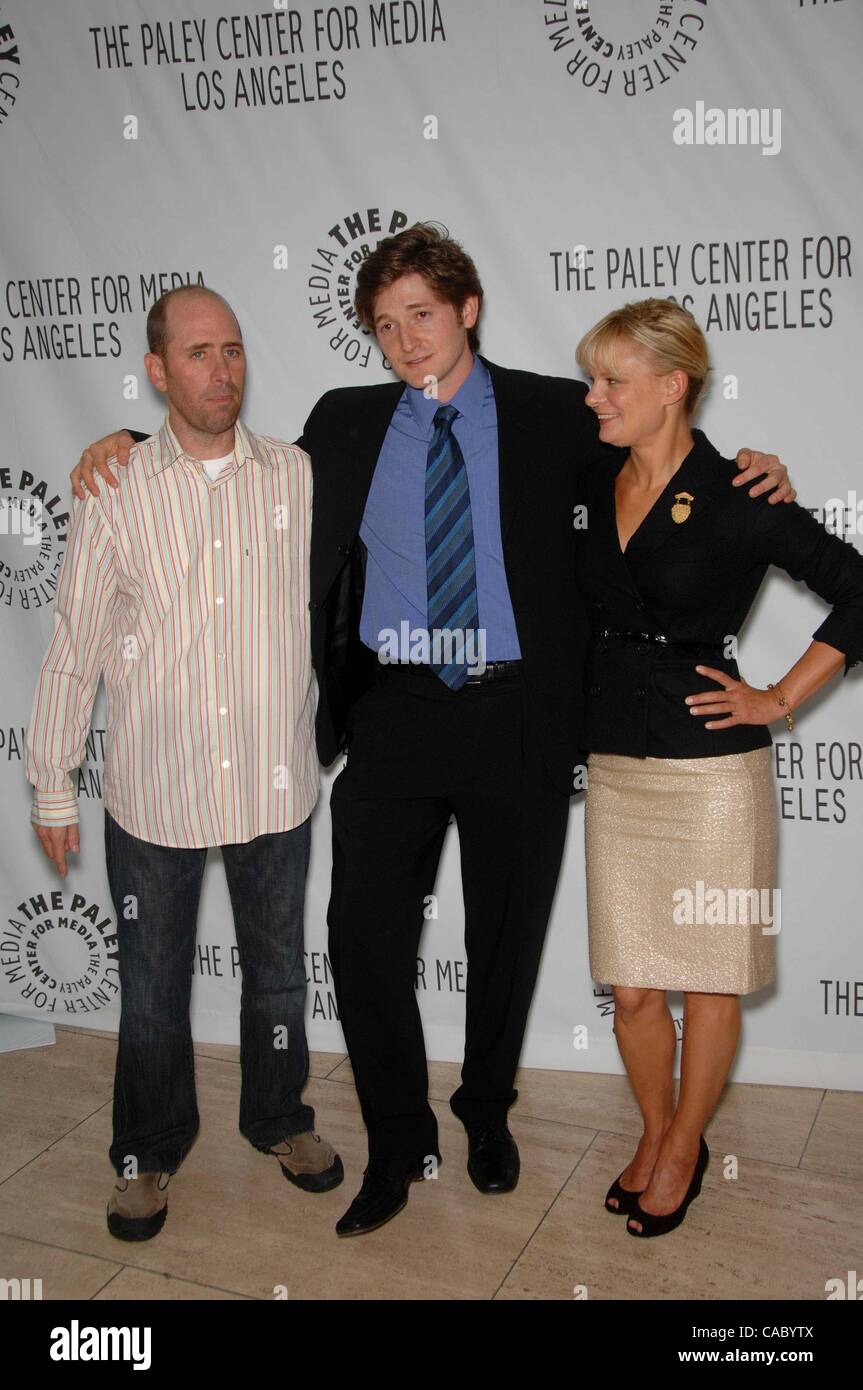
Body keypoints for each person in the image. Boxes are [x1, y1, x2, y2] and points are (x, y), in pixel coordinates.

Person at [69, 224, 793, 1239]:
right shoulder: (347, 421)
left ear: (467, 309)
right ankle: (396, 1142)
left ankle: (485, 1115)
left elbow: (659, 449)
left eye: (421, 313)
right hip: (395, 715)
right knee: (361, 941)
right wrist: (126, 441)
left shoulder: (555, 412)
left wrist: (745, 468)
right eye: (383, 324)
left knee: (504, 938)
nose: (404, 339)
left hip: (518, 714)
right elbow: (235, 465)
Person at [27, 285, 342, 1243]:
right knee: (152, 993)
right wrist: (52, 782)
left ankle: (279, 1117)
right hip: (153, 789)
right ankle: (146, 1151)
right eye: (198, 353)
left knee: (278, 977)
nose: (222, 370)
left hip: (274, 783)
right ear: (157, 371)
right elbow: (77, 639)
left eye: (233, 350)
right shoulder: (114, 486)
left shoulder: (296, 475)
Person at [574, 297, 863, 1237]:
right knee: (630, 988)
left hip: (710, 779)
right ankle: (656, 1128)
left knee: (707, 979)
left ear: (673, 386)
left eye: (611, 380)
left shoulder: (739, 492)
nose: (593, 396)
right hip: (616, 763)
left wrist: (779, 697)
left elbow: (857, 591)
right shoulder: (585, 474)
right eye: (590, 378)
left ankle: (683, 1146)